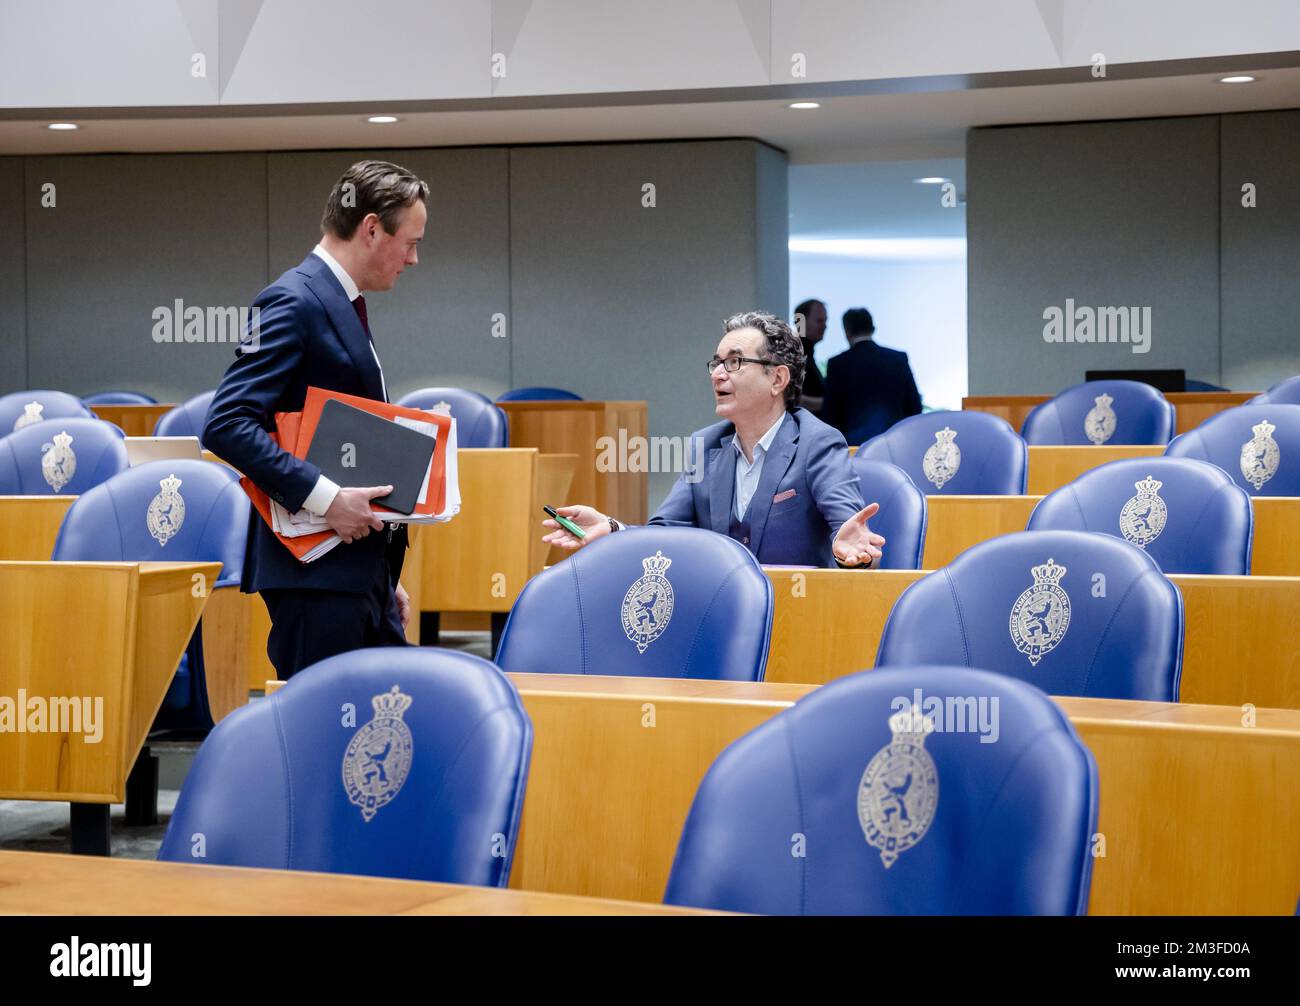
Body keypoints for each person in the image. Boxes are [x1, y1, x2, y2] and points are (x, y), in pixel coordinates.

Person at [203, 160, 428, 679]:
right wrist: (327, 498)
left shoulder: (336, 299)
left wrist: (380, 574)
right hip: (314, 577)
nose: (414, 259)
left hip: (352, 573)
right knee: (322, 724)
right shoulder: (294, 299)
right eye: (410, 243)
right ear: (371, 229)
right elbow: (227, 422)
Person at [543, 311, 884, 568]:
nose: (718, 374)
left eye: (734, 362)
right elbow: (665, 533)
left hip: (797, 614)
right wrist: (611, 527)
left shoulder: (818, 443)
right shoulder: (704, 446)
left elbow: (853, 537)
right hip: (720, 616)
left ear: (778, 379)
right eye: (716, 363)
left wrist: (851, 552)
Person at [822, 307, 923, 446]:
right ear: (872, 328)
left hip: (855, 448)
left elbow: (830, 415)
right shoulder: (898, 359)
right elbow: (915, 407)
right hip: (896, 444)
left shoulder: (837, 364)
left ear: (847, 331)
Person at [793, 298, 827, 414]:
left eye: (825, 320)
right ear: (800, 322)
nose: (825, 326)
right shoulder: (793, 354)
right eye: (819, 320)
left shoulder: (804, 353)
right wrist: (830, 403)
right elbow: (792, 398)